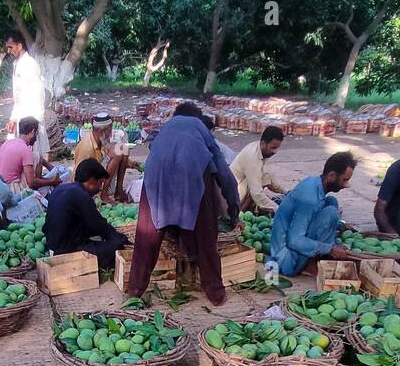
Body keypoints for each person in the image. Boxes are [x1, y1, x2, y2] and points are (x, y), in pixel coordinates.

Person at [126, 103, 240, 304]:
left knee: (146, 238)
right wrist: (234, 210)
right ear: (198, 117)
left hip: (155, 179)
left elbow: (157, 153)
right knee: (206, 237)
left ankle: (135, 289)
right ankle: (215, 293)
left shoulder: (164, 129)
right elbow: (225, 175)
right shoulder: (201, 129)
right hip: (190, 180)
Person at [267, 151, 356, 277]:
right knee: (330, 212)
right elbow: (294, 240)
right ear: (331, 175)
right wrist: (329, 248)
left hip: (289, 243)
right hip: (286, 260)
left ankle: (321, 254)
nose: (346, 185)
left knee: (331, 202)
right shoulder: (309, 199)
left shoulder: (315, 182)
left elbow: (314, 213)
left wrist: (340, 224)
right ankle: (311, 263)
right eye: (345, 180)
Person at [44, 159, 128, 269]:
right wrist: (121, 240)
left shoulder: (61, 188)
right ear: (92, 181)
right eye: (100, 183)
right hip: (66, 251)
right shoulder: (81, 196)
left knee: (100, 238)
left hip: (53, 245)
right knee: (116, 247)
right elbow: (99, 225)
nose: (101, 188)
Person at [4, 31, 47, 161]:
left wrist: (33, 121)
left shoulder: (29, 64)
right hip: (22, 115)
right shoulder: (18, 64)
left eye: (10, 47)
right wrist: (14, 117)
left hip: (31, 116)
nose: (9, 51)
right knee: (23, 155)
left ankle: (34, 180)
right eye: (7, 47)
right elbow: (18, 95)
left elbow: (35, 94)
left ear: (19, 46)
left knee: (33, 156)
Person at [74, 112, 135, 203]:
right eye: (109, 131)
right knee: (119, 151)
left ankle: (118, 191)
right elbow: (79, 176)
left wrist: (133, 164)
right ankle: (104, 194)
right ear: (100, 131)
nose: (110, 135)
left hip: (99, 178)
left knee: (123, 148)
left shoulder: (100, 139)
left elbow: (113, 152)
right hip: (90, 185)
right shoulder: (87, 147)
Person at [0, 118, 62, 192]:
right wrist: (51, 182)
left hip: (0, 185)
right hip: (12, 190)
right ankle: (38, 188)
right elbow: (31, 182)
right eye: (36, 134)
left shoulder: (7, 143)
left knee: (35, 156)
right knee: (36, 156)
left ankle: (43, 179)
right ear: (33, 132)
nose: (36, 139)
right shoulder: (25, 150)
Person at [230, 126, 286, 214]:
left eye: (277, 148)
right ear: (264, 143)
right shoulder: (253, 158)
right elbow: (256, 193)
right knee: (259, 183)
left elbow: (270, 178)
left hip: (242, 186)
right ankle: (239, 212)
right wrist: (277, 208)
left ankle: (246, 208)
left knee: (265, 175)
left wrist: (285, 192)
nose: (275, 152)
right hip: (233, 193)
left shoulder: (260, 148)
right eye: (273, 148)